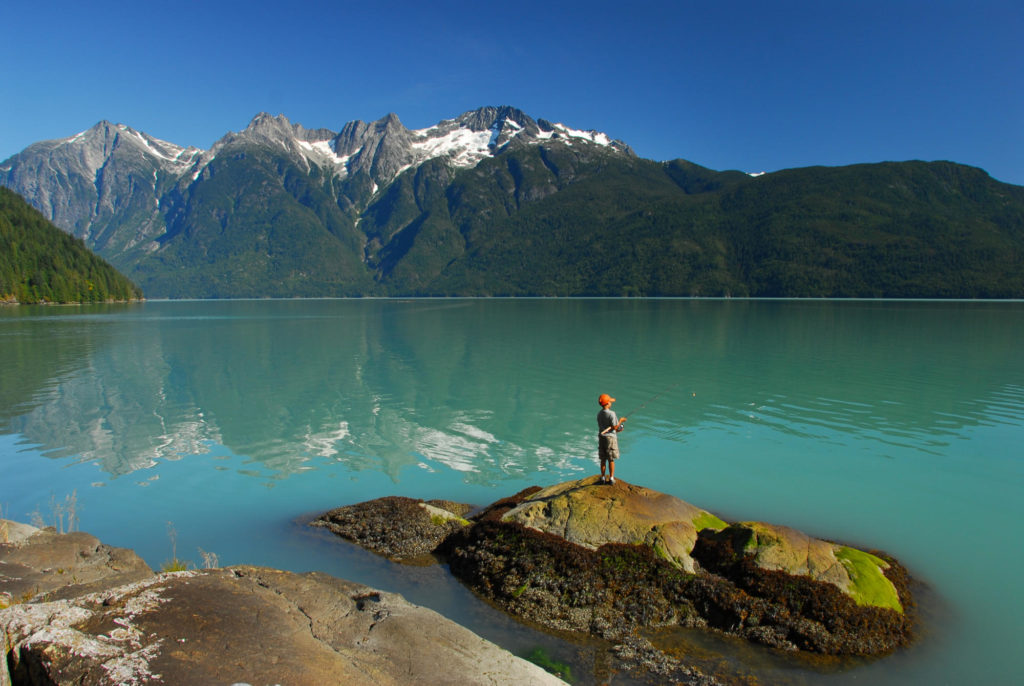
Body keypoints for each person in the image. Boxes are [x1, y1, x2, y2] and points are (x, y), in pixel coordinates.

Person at [596, 393, 626, 484]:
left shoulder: (599, 414)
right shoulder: (612, 414)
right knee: (611, 459)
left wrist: (617, 428)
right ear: (608, 403)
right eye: (610, 402)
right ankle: (611, 478)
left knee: (603, 459)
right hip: (611, 439)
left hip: (602, 438)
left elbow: (606, 428)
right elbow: (615, 427)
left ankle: (602, 477)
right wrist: (621, 421)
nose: (611, 403)